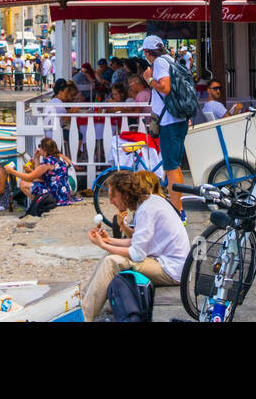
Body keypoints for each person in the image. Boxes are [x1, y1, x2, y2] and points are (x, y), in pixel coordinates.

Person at [81, 170, 189, 321]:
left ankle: (83, 316)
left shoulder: (145, 210)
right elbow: (138, 242)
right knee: (111, 256)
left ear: (125, 195)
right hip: (170, 263)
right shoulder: (150, 202)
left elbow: (137, 254)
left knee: (111, 262)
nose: (111, 201)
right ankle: (83, 300)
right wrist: (109, 240)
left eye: (113, 196)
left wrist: (103, 245)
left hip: (172, 269)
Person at [141, 34, 188, 218]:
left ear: (147, 52)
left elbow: (165, 87)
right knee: (174, 167)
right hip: (178, 119)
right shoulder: (170, 59)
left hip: (170, 122)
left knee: (170, 167)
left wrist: (147, 79)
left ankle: (177, 211)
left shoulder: (160, 63)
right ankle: (179, 206)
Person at [9, 137, 76, 213]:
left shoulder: (47, 162)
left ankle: (40, 204)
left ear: (44, 148)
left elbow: (30, 177)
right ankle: (39, 203)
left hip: (55, 195)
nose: (38, 148)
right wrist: (37, 158)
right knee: (34, 180)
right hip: (63, 194)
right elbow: (39, 176)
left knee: (23, 183)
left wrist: (12, 171)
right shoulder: (59, 157)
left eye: (39, 146)